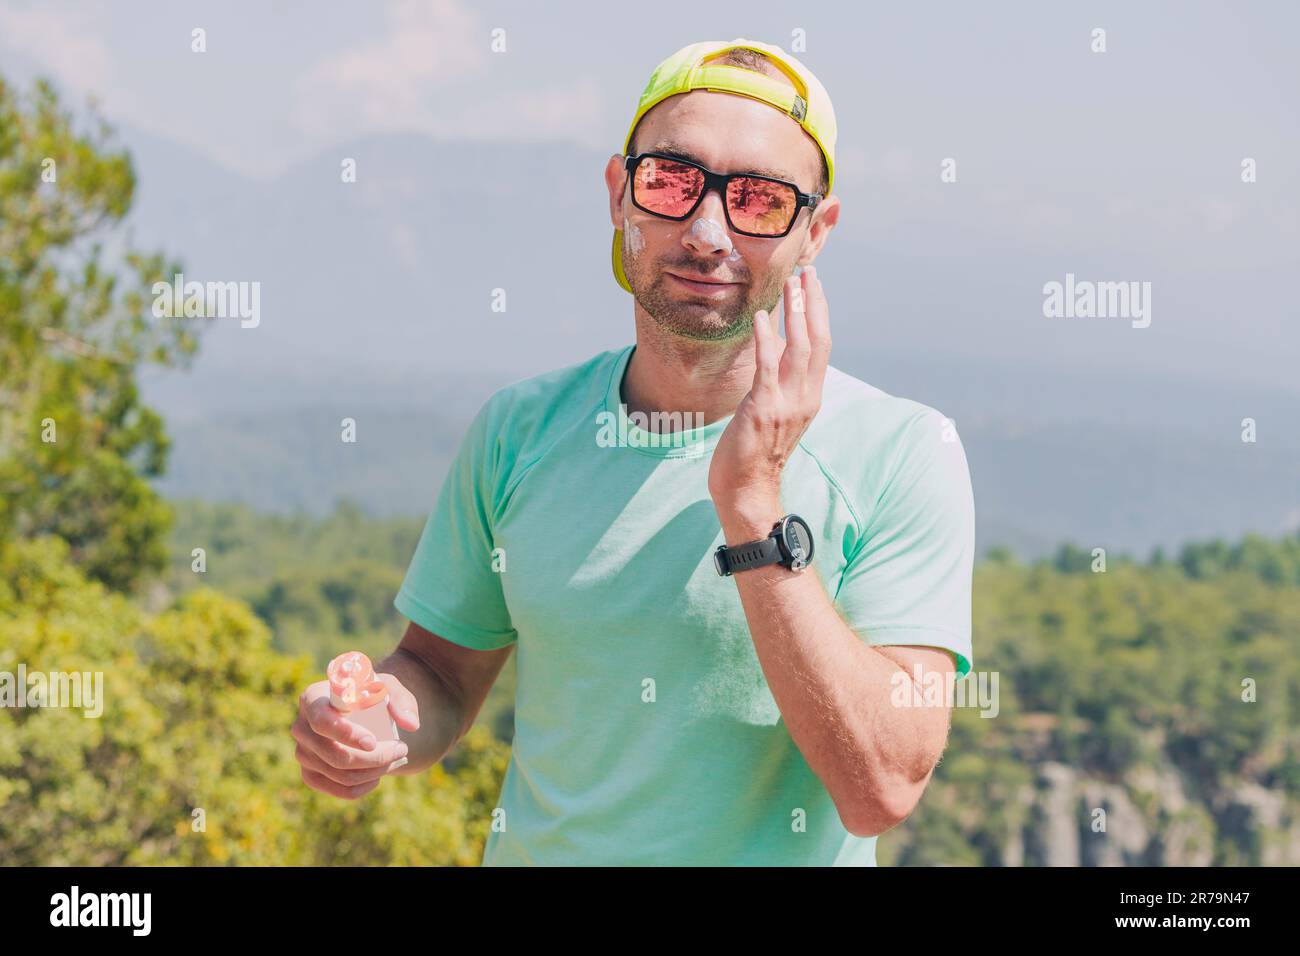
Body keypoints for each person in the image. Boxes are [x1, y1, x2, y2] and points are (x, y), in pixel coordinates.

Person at [292, 38, 976, 866]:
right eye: (671, 181)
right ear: (620, 195)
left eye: (758, 200)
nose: (707, 230)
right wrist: (367, 726)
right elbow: (437, 673)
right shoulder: (518, 431)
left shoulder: (903, 451)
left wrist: (754, 506)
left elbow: (882, 788)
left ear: (816, 230)